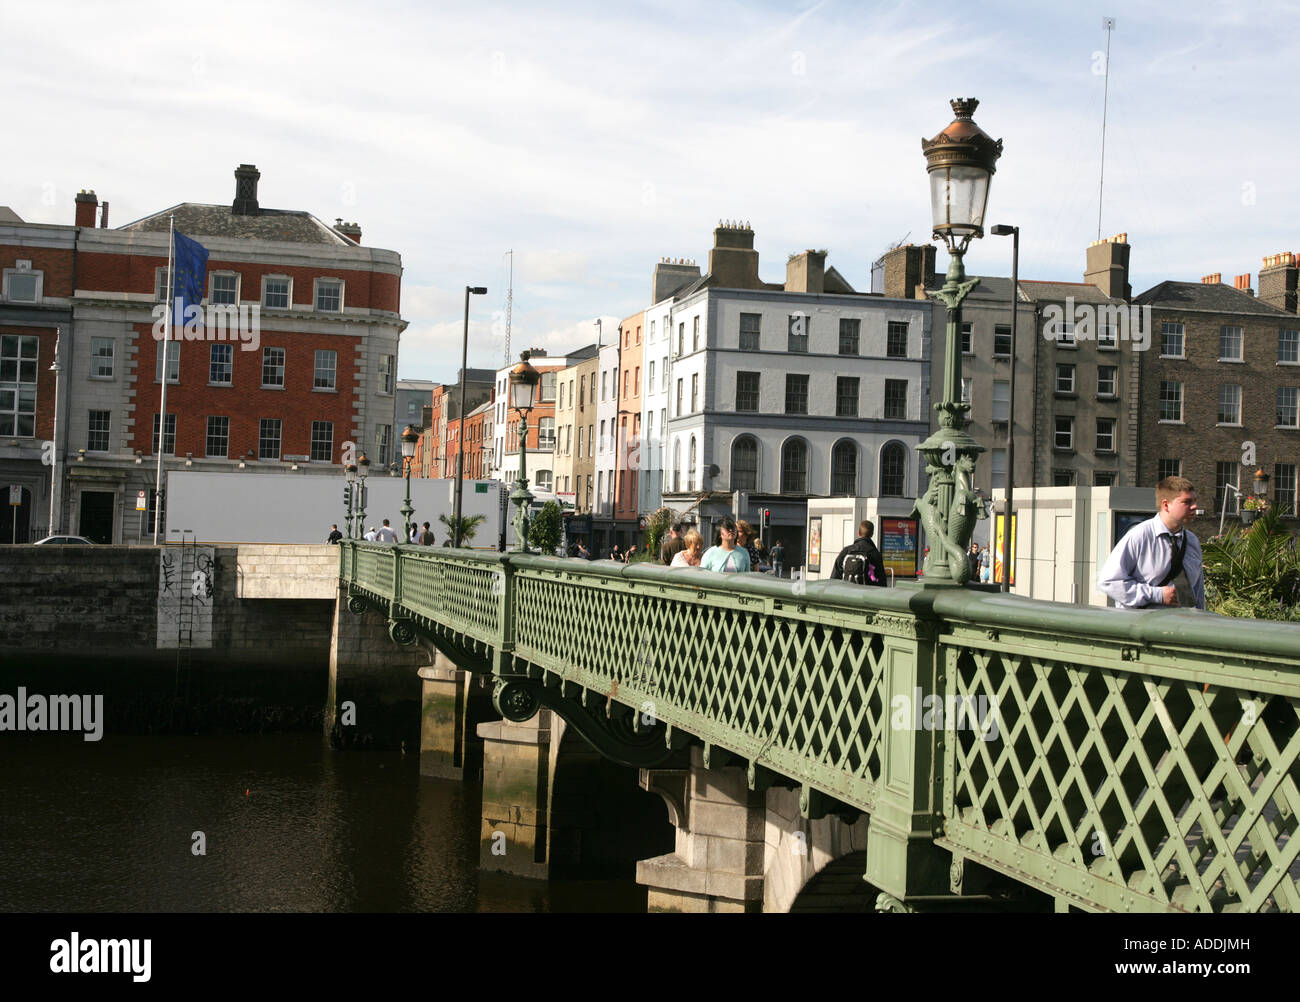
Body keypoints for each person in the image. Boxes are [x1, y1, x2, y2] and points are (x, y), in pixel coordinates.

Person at [1098, 476, 1205, 610]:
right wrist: (1157, 595)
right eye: (1187, 502)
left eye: (1194, 501)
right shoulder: (1139, 536)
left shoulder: (1192, 541)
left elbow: (1197, 591)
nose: (1194, 506)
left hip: (1182, 621)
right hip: (1141, 621)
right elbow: (1109, 582)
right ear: (1166, 505)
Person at [830, 519, 888, 586]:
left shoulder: (846, 551)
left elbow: (835, 575)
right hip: (866, 591)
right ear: (872, 534)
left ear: (859, 533)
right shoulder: (875, 554)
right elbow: (881, 580)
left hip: (847, 590)